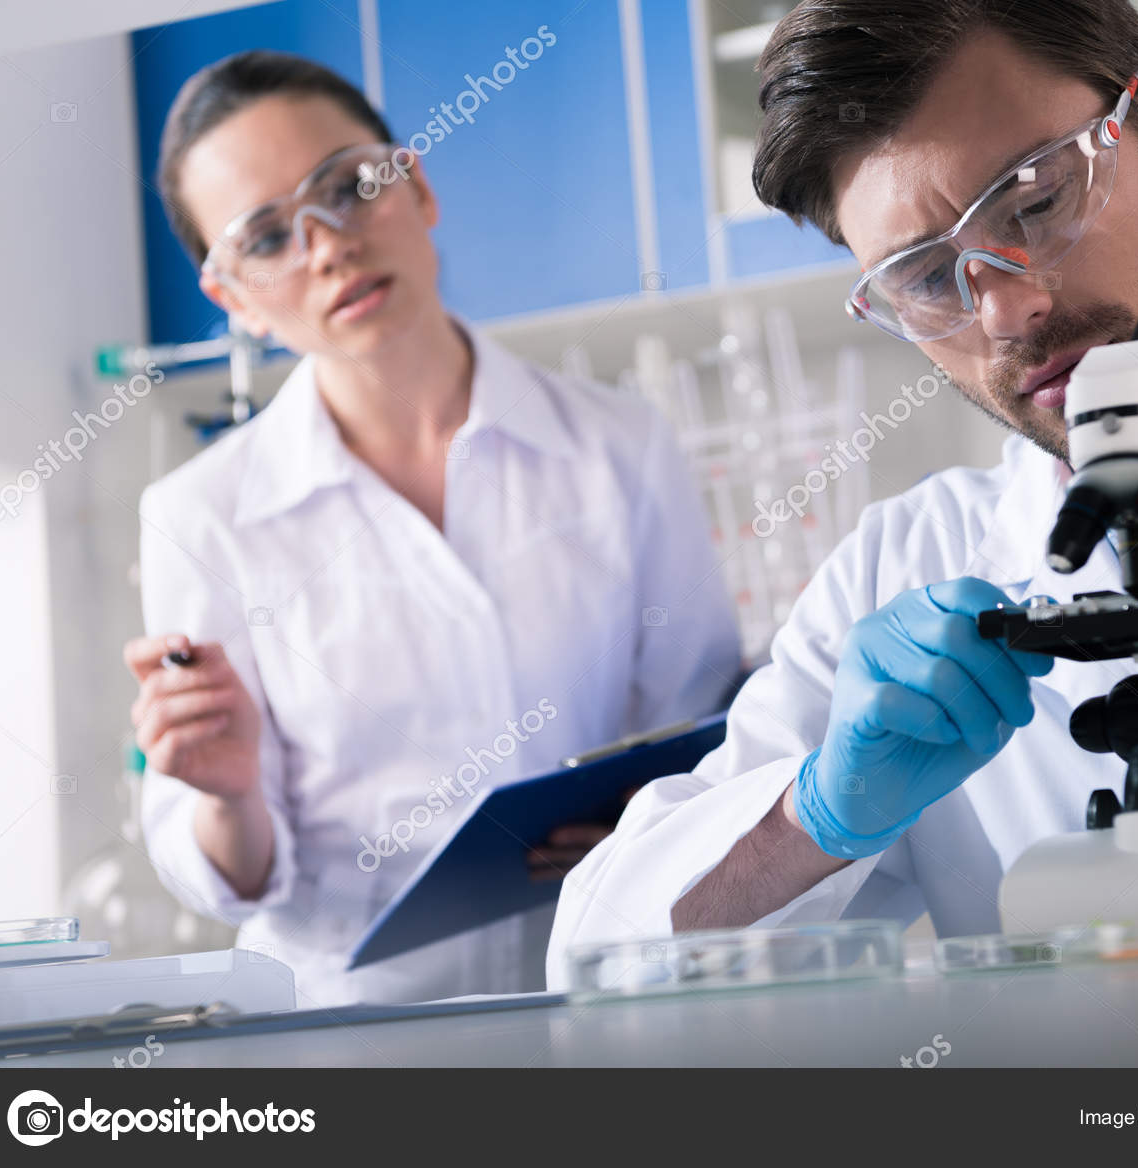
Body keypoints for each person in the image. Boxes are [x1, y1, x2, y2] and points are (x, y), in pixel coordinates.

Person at [546, 0, 1138, 987]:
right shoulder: (909, 568)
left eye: (1034, 201)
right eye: (926, 277)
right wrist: (818, 815)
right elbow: (594, 963)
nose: (1009, 306)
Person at [123, 51, 740, 1006]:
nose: (328, 245)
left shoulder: (618, 445)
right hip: (351, 1037)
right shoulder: (200, 517)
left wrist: (646, 814)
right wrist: (228, 789)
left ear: (415, 184)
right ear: (233, 300)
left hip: (596, 991)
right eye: (267, 237)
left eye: (347, 186)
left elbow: (705, 725)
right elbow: (227, 873)